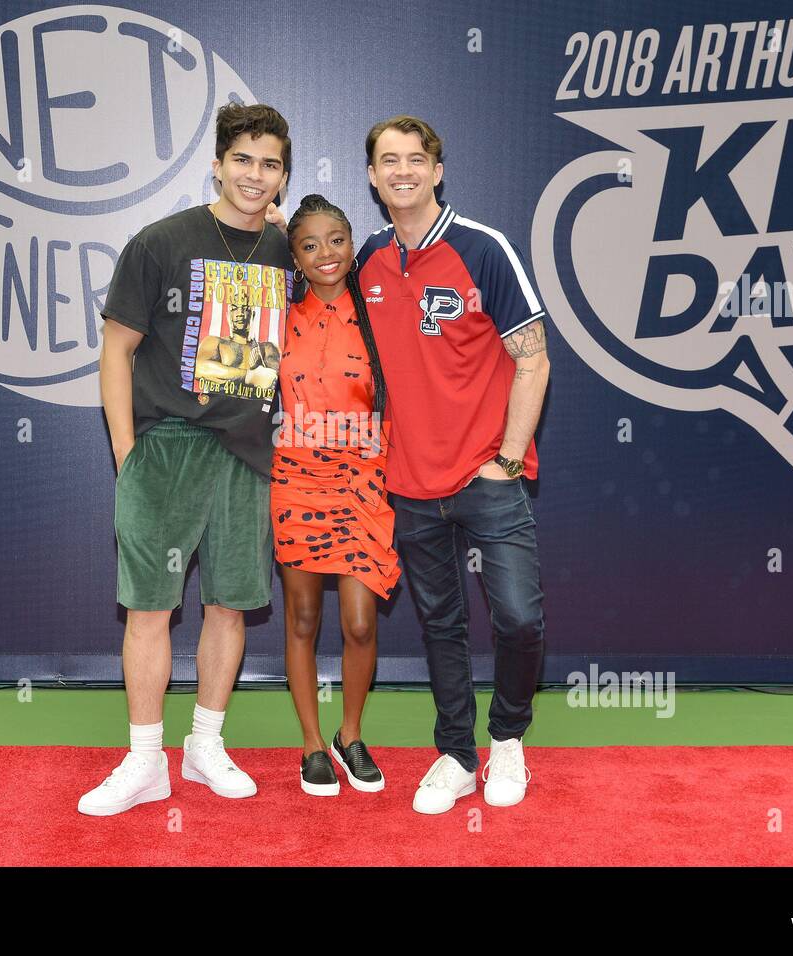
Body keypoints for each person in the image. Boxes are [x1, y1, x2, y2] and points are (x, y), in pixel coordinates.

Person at [79, 103, 294, 817]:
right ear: (219, 162)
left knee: (229, 605)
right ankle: (144, 761)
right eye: (243, 160)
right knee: (149, 608)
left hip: (247, 455)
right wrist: (126, 450)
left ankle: (204, 746)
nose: (254, 176)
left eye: (269, 165)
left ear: (284, 176)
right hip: (166, 446)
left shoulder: (287, 251)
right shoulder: (162, 242)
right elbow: (117, 348)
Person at [356, 115, 551, 815]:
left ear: (437, 170)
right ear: (373, 178)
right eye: (388, 160)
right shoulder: (368, 261)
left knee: (520, 619)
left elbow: (533, 358)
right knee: (440, 624)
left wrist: (505, 458)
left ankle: (507, 741)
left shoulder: (483, 248)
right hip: (408, 480)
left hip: (486, 477)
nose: (402, 171)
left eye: (416, 159)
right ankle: (456, 754)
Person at [274, 194, 401, 796]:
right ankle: (310, 744)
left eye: (336, 239)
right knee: (302, 617)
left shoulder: (380, 314)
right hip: (295, 476)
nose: (325, 253)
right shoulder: (278, 317)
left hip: (361, 482)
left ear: (354, 245)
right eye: (309, 244)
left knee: (357, 623)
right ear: (294, 258)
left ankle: (351, 735)